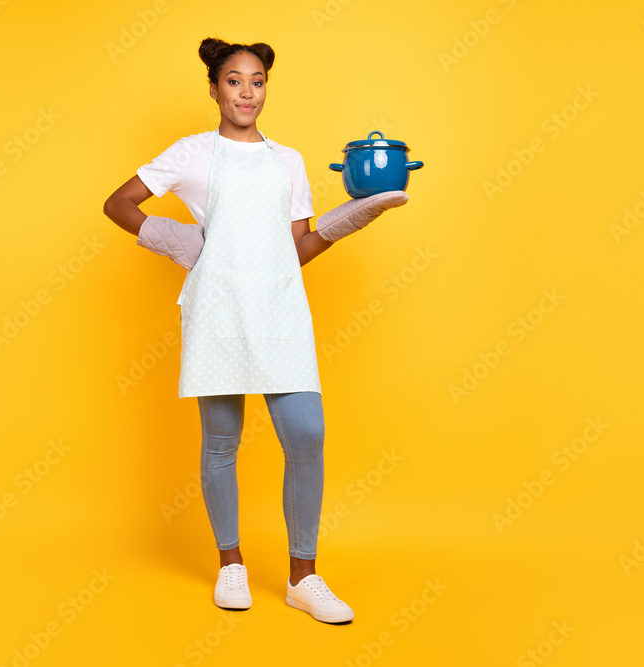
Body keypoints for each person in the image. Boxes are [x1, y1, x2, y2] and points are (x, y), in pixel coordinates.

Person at [103, 37, 408, 624]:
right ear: (214, 88)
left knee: (307, 437)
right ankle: (231, 563)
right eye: (235, 81)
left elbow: (296, 250)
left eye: (258, 81)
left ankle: (304, 577)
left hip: (279, 309)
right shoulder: (192, 153)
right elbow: (119, 203)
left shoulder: (286, 160)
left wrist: (349, 220)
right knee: (221, 443)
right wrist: (175, 239)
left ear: (267, 87)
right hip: (218, 309)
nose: (247, 92)